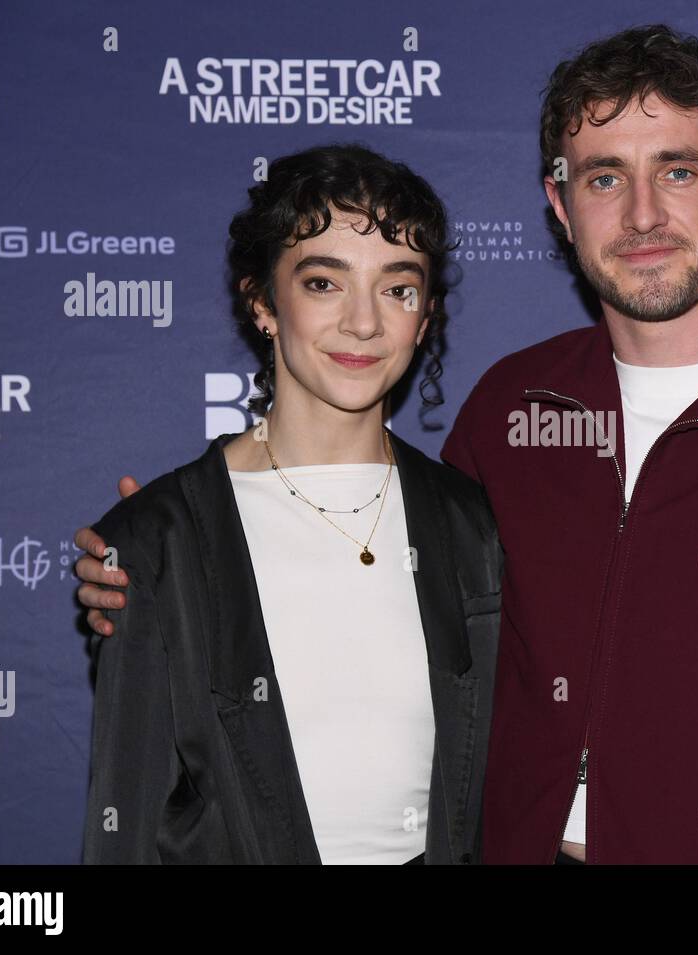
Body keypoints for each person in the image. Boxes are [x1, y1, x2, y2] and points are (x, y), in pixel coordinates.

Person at [79, 25, 698, 864]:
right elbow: (395, 618)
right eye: (603, 177)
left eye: (677, 170)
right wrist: (180, 562)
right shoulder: (512, 413)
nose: (640, 214)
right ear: (559, 205)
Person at [77, 143, 502, 864]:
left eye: (397, 288)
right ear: (263, 303)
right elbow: (126, 815)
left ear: (424, 317)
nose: (364, 322)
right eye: (324, 283)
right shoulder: (157, 543)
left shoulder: (472, 525)